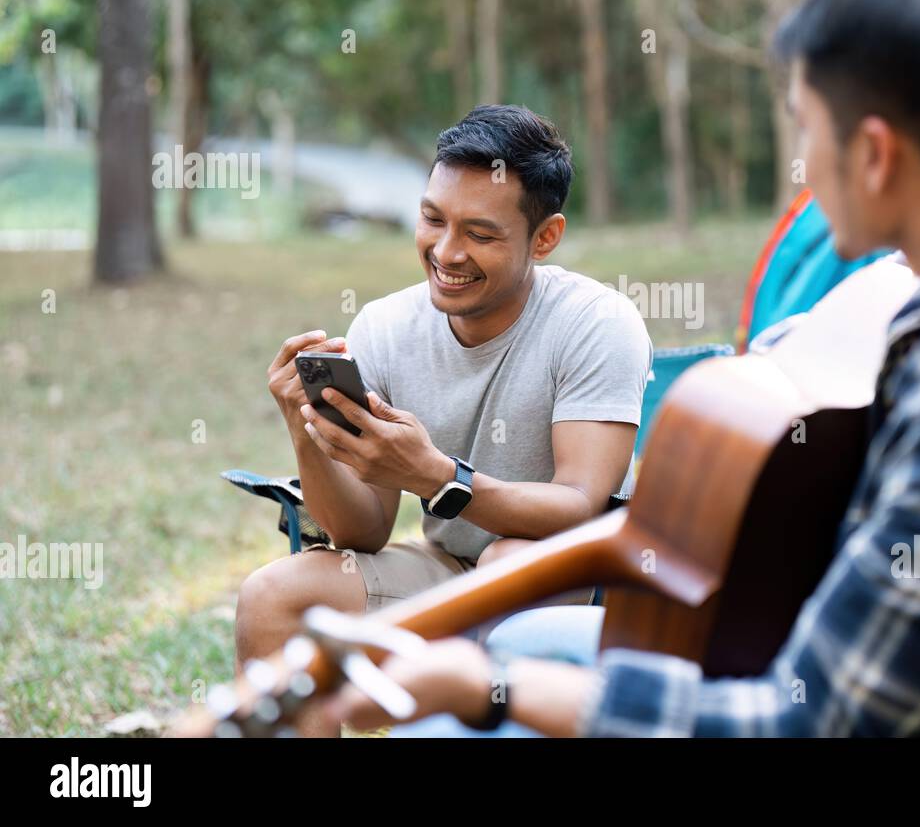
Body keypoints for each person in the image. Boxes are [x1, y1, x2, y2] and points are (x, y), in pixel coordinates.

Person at [325, 0, 920, 737]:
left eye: (806, 130)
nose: (803, 168)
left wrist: (481, 690)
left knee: (469, 700)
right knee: (535, 638)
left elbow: (796, 723)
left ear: (878, 155)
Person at [236, 104, 653, 737]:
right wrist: (305, 425)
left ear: (545, 238)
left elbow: (577, 505)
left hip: (569, 575)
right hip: (453, 569)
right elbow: (364, 531)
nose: (446, 251)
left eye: (481, 234)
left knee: (510, 560)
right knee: (272, 597)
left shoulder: (596, 323)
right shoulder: (387, 326)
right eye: (433, 219)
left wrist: (439, 478)